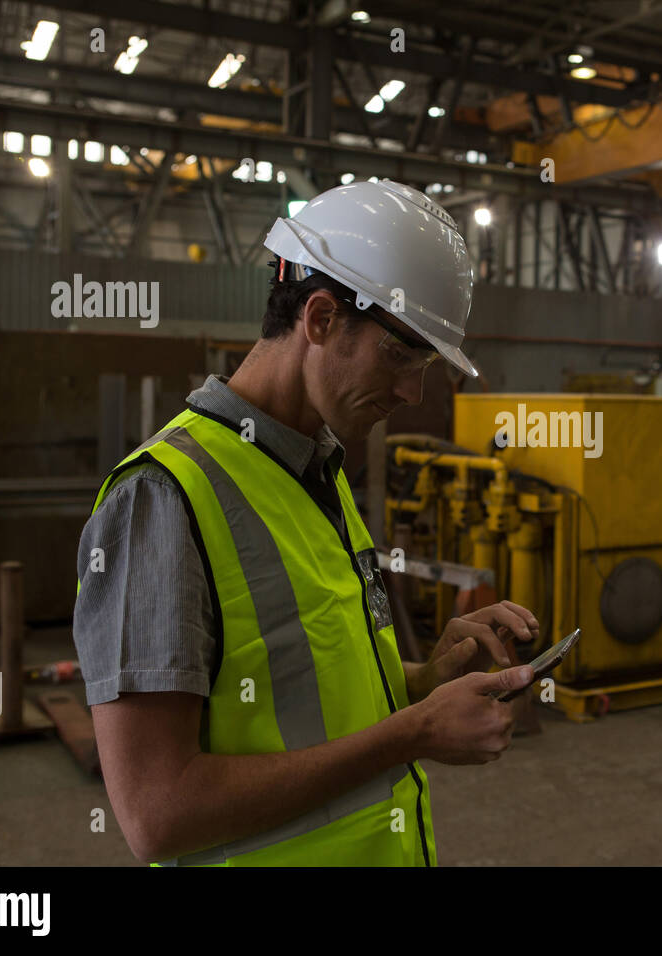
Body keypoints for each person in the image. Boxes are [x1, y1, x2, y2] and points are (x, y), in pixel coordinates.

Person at [73, 179, 539, 867]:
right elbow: (159, 813)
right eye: (402, 356)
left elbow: (307, 692)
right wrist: (411, 734)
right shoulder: (163, 499)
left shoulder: (316, 470)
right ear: (320, 319)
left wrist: (423, 681)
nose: (413, 392)